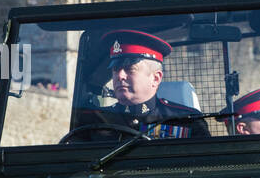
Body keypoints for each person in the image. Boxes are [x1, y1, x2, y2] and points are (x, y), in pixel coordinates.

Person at [75, 30, 210, 139]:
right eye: (116, 69)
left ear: (155, 79)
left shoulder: (186, 122)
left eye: (129, 69)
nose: (120, 76)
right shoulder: (95, 122)